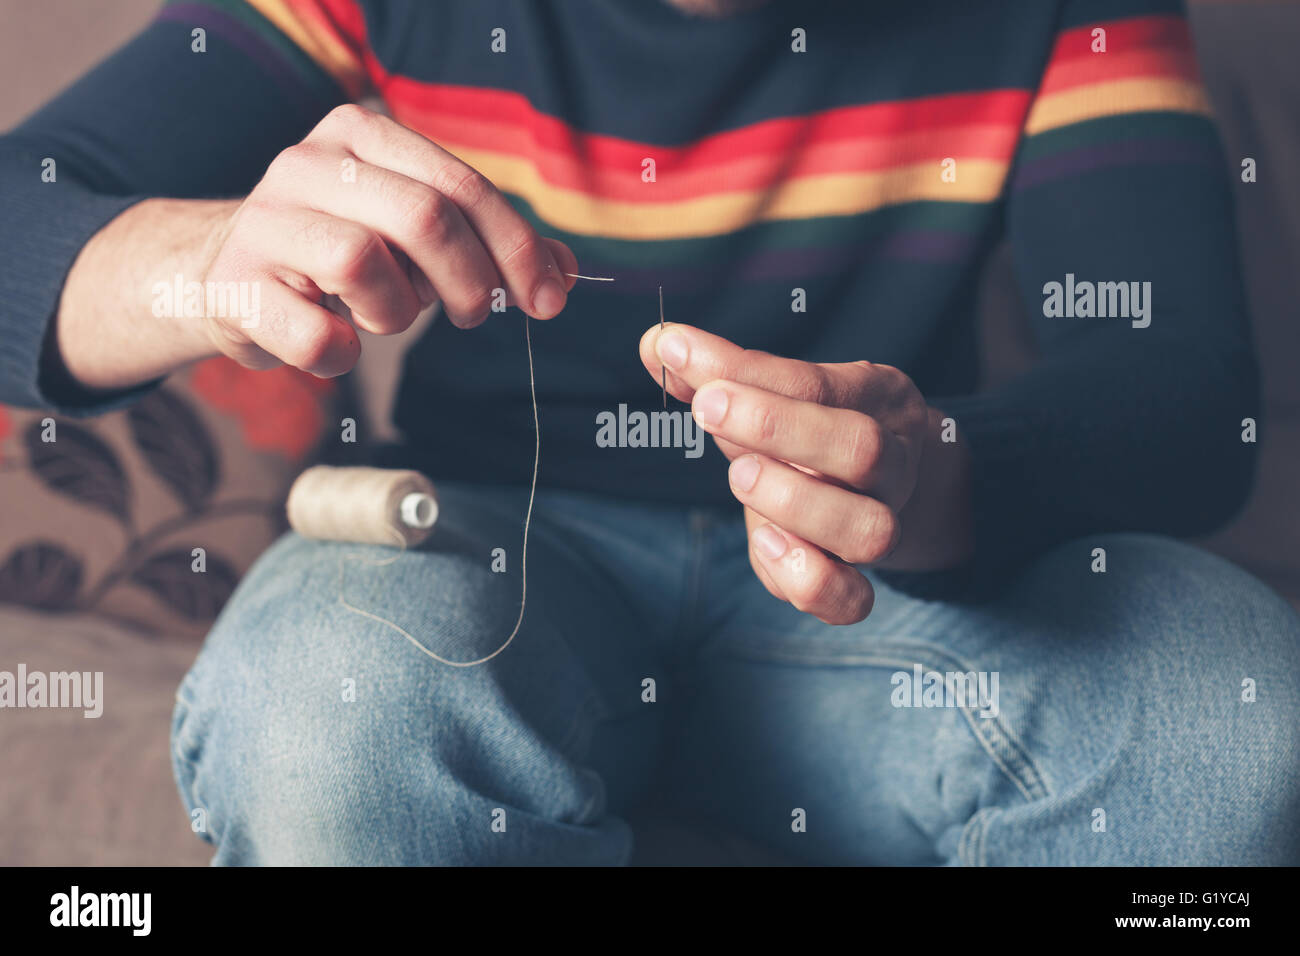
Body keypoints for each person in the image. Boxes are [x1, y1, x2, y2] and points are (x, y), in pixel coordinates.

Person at [3, 0, 1297, 865]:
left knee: (1220, 712)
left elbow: (1181, 385)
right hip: (484, 551)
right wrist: (197, 259)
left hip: (897, 578)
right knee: (324, 715)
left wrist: (935, 469)